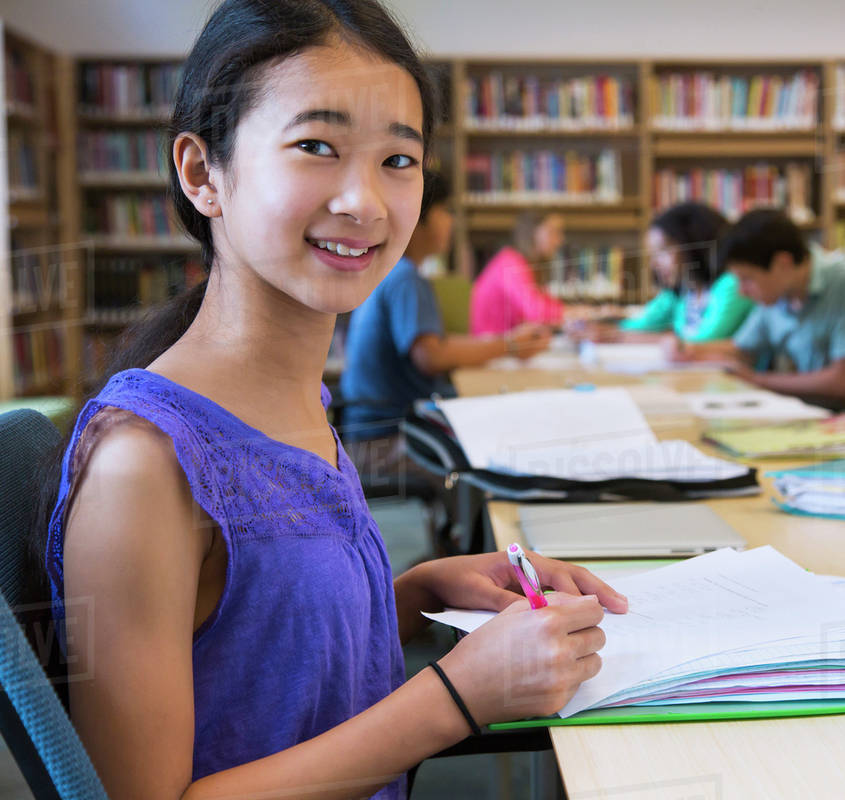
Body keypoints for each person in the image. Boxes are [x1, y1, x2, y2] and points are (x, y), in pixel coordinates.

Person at [30, 2, 625, 798]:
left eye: (398, 161)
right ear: (203, 173)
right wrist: (456, 696)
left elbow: (252, 644)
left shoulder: (294, 395)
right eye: (316, 146)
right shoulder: (146, 466)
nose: (366, 203)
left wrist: (411, 595)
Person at [340, 170, 549, 450]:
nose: (451, 221)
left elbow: (435, 344)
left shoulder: (394, 273)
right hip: (386, 441)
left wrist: (505, 344)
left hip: (380, 431)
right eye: (445, 211)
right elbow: (431, 356)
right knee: (506, 438)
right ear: (417, 216)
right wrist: (510, 346)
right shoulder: (405, 278)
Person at [676, 209, 845, 416]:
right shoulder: (777, 293)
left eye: (747, 279)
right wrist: (687, 348)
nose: (742, 291)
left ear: (782, 263)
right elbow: (741, 348)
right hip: (804, 414)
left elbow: (844, 383)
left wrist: (757, 380)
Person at [598, 202, 753, 344]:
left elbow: (704, 342)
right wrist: (601, 327)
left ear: (694, 244)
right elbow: (643, 324)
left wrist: (620, 335)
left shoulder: (732, 284)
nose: (654, 264)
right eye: (653, 255)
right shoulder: (683, 290)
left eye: (663, 251)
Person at [469, 211, 566, 335]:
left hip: (506, 344)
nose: (560, 240)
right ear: (532, 232)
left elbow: (543, 302)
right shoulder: (510, 262)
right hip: (492, 346)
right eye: (553, 231)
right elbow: (535, 311)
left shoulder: (527, 264)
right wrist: (581, 313)